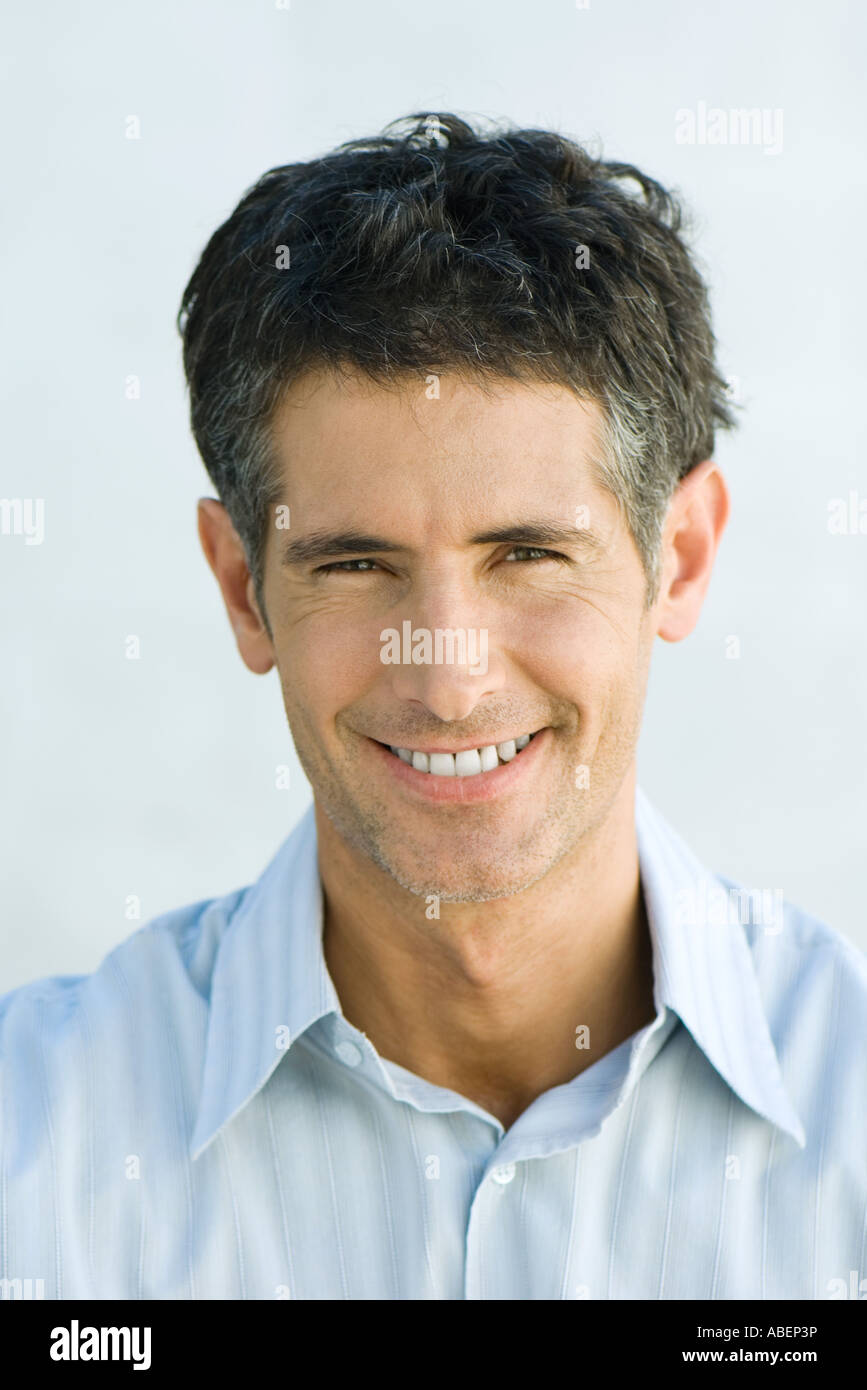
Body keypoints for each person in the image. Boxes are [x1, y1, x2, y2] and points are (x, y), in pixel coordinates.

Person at [2, 112, 864, 1301]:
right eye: (355, 565)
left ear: (685, 555)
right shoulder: (27, 1153)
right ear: (242, 588)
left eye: (527, 555)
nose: (448, 678)